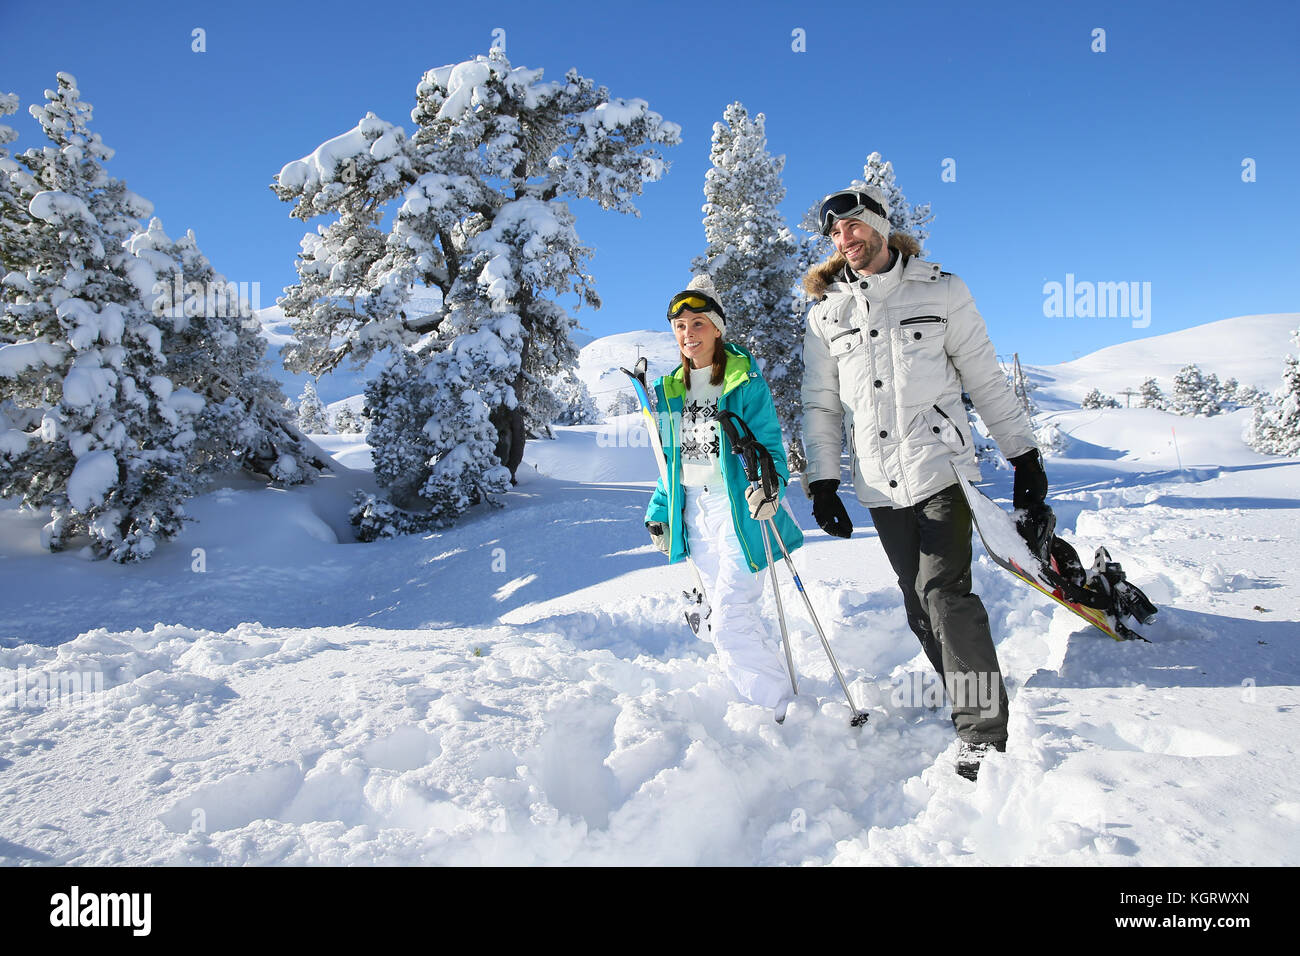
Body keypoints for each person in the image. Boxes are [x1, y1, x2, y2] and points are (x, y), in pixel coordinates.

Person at [799, 185, 1048, 779]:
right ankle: (971, 690)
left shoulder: (942, 291)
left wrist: (1024, 454)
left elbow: (984, 376)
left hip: (941, 469)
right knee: (917, 605)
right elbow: (821, 406)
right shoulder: (827, 314)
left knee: (945, 594)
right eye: (835, 234)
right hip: (880, 485)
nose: (846, 239)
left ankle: (982, 731)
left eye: (854, 226)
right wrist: (823, 481)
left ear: (881, 228)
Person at [644, 275, 805, 724]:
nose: (688, 334)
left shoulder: (743, 382)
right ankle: (774, 694)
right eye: (679, 326)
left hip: (739, 505)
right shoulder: (668, 390)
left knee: (731, 616)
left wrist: (770, 487)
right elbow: (668, 464)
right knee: (726, 612)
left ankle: (779, 711)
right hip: (694, 511)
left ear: (717, 328)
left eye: (698, 323)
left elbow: (770, 444)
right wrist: (661, 513)